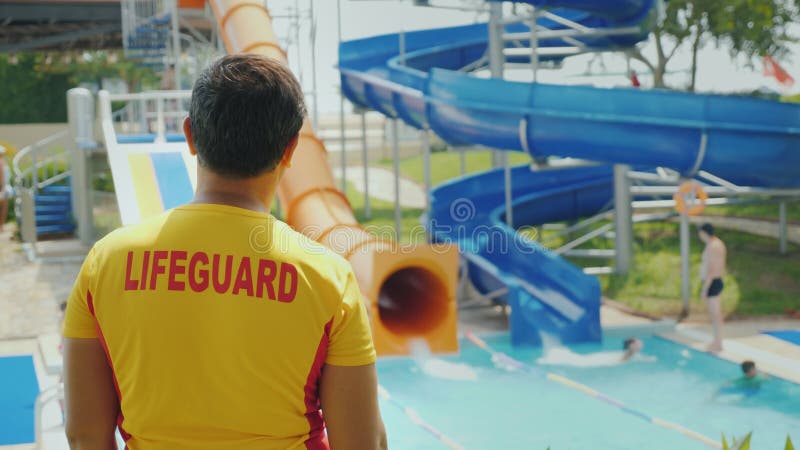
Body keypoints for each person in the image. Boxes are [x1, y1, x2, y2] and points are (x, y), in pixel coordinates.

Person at [62, 54, 387, 450]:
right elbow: (362, 442)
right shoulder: (327, 277)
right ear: (290, 149)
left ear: (190, 136)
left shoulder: (106, 262)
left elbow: (85, 436)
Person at [699, 223, 727, 353]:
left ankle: (718, 342)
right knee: (716, 315)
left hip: (713, 282)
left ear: (704, 233)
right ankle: (717, 341)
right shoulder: (718, 243)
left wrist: (705, 289)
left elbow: (711, 269)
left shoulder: (712, 246)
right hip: (716, 280)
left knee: (715, 315)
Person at [0, 145, 12, 233]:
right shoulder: (1, 162)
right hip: (2, 187)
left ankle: (1, 226)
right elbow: (2, 177)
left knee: (4, 206)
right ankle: (1, 226)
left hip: (4, 187)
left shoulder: (3, 162)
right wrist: (2, 188)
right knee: (3, 207)